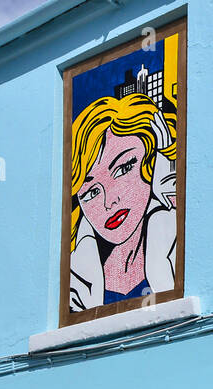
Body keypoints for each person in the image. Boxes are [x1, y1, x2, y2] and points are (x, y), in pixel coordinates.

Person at [68, 92, 178, 312]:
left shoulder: (172, 242)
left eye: (124, 168)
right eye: (90, 192)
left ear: (151, 164)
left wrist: (168, 161)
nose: (110, 202)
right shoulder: (78, 278)